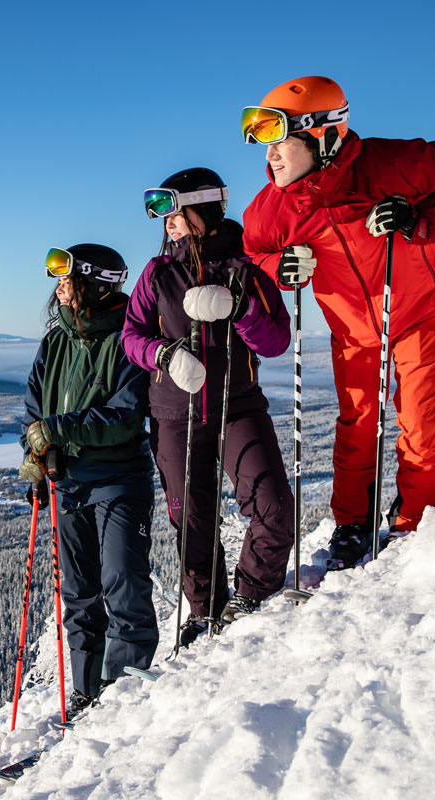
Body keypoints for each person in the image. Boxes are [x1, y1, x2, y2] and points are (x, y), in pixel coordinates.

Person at [240, 75, 435, 568]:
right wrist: (278, 267)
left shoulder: (395, 165)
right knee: (357, 421)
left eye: (281, 141)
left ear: (325, 135)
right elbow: (253, 252)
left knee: (419, 419)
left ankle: (414, 522)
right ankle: (351, 524)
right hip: (352, 328)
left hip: (421, 310)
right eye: (265, 143)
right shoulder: (272, 207)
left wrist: (420, 218)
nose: (271, 155)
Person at [121, 169, 293, 643]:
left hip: (237, 405)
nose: (167, 223)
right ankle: (205, 613)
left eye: (172, 211)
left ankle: (251, 597)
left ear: (203, 208)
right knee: (191, 522)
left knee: (274, 505)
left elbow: (277, 339)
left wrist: (241, 311)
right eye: (162, 216)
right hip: (175, 414)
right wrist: (164, 354)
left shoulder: (245, 269)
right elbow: (131, 336)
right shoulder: (157, 274)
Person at [20, 243, 157, 713]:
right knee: (78, 592)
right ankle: (85, 691)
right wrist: (36, 455)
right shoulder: (55, 339)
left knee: (123, 581)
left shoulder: (129, 338)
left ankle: (124, 691)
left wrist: (54, 431)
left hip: (119, 478)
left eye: (67, 278)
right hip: (67, 482)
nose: (58, 287)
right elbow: (34, 407)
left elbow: (124, 416)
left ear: (97, 283)